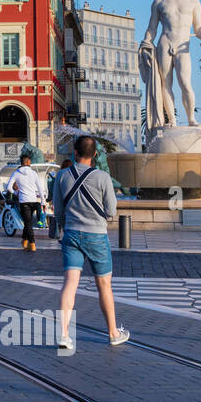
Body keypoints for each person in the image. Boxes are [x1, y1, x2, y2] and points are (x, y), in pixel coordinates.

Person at [53, 135, 128, 351]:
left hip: (72, 235)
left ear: (74, 153)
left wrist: (65, 226)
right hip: (96, 236)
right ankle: (113, 333)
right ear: (94, 155)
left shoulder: (62, 176)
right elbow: (111, 211)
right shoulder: (103, 177)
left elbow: (58, 210)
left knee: (70, 284)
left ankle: (64, 334)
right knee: (104, 285)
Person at [5, 153, 48, 252]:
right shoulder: (34, 173)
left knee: (28, 223)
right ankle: (24, 241)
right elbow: (40, 189)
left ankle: (32, 243)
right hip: (33, 201)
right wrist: (43, 202)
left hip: (24, 201)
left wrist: (16, 193)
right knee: (28, 223)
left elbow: (8, 187)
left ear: (22, 162)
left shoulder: (16, 173)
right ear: (28, 162)